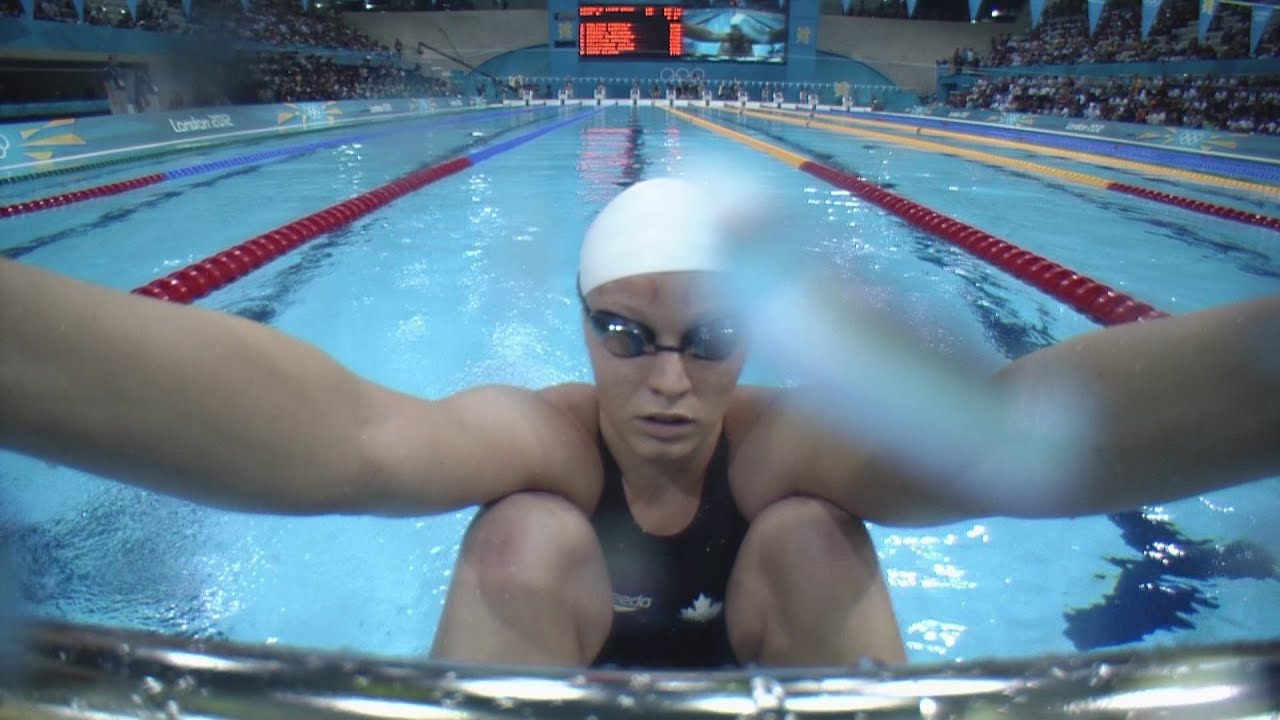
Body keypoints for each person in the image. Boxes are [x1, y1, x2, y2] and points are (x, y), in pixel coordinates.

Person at [1, 178, 1278, 670]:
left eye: (709, 340)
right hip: (550, 667)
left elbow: (1007, 434)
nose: (668, 381)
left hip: (788, 660)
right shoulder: (545, 436)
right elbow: (347, 437)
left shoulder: (780, 444)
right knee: (522, 535)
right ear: (582, 335)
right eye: (627, 337)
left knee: (809, 536)